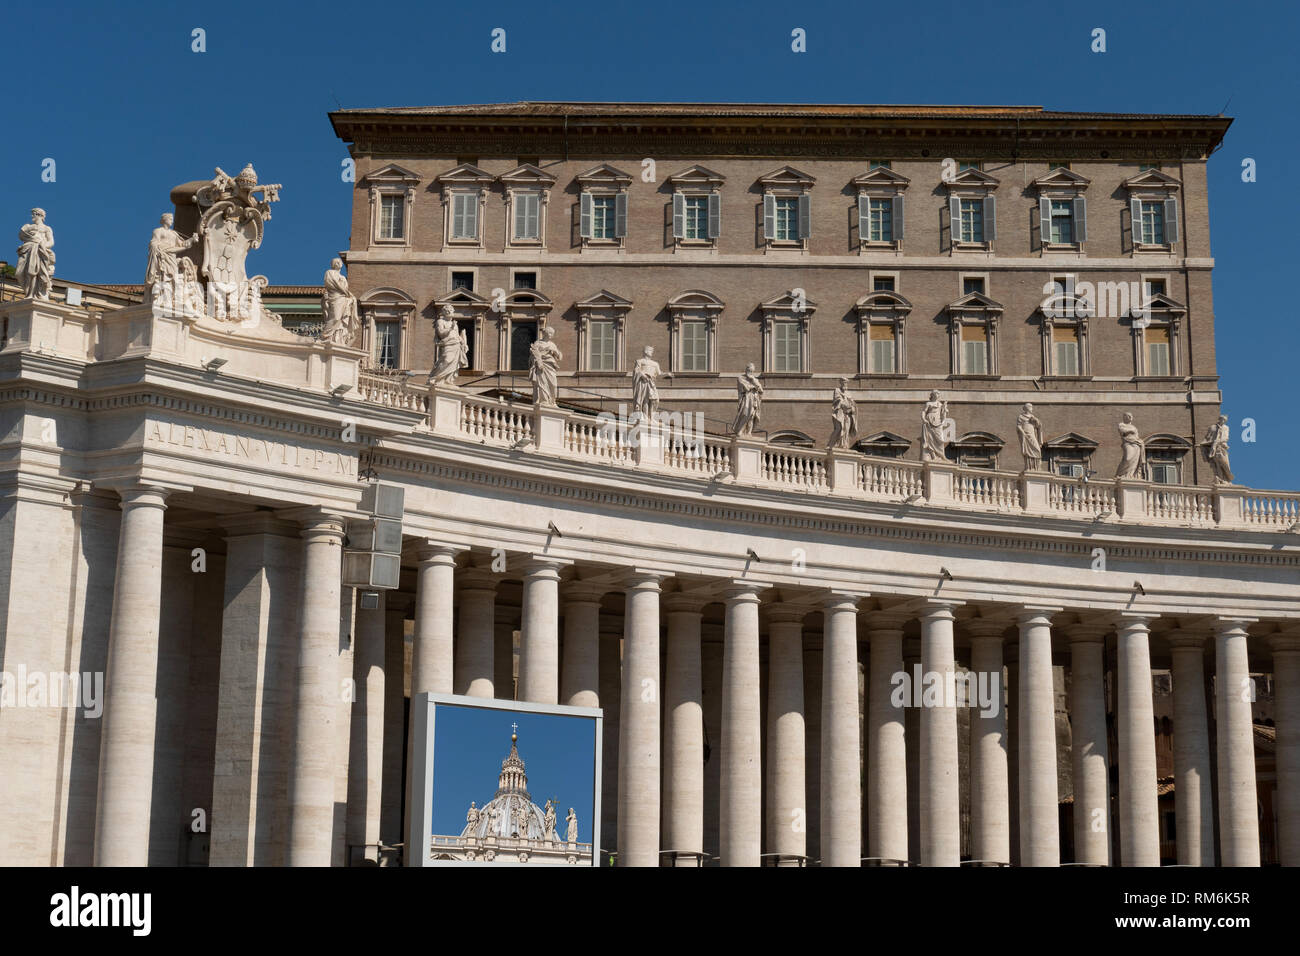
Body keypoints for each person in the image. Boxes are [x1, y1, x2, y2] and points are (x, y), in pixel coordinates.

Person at [145, 213, 199, 297]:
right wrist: (161, 248)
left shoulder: (174, 234)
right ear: (164, 220)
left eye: (172, 219)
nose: (172, 221)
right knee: (162, 275)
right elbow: (154, 243)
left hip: (171, 258)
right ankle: (160, 294)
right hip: (162, 256)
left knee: (173, 276)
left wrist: (192, 239)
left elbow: (182, 244)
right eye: (170, 219)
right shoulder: (158, 231)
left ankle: (169, 296)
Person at [15, 208, 55, 300]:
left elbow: (51, 241)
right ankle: (28, 291)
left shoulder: (46, 228)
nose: (32, 216)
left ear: (40, 215)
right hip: (27, 250)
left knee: (33, 273)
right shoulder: (28, 226)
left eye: (34, 214)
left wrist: (42, 245)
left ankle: (31, 294)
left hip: (39, 250)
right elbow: (21, 235)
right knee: (19, 273)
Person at [320, 258, 358, 345]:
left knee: (341, 318)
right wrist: (343, 290)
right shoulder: (329, 272)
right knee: (336, 317)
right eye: (336, 262)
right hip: (335, 296)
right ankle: (325, 336)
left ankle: (337, 338)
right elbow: (332, 283)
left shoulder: (343, 277)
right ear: (333, 264)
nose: (338, 263)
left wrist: (347, 294)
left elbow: (345, 288)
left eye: (339, 262)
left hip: (343, 297)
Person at [429, 305, 469, 385]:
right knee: (446, 360)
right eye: (447, 311)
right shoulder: (440, 321)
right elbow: (441, 334)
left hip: (456, 345)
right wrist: (451, 328)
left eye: (451, 310)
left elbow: (456, 335)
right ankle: (435, 378)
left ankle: (448, 379)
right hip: (447, 344)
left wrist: (463, 343)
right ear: (443, 312)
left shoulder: (454, 323)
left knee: (454, 364)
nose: (449, 312)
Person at [528, 327, 562, 406]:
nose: (551, 335)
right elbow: (533, 355)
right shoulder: (538, 343)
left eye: (552, 334)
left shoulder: (552, 344)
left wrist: (555, 351)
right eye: (549, 333)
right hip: (541, 366)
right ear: (545, 333)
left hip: (550, 366)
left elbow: (560, 357)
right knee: (542, 383)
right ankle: (544, 401)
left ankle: (552, 401)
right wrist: (538, 362)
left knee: (553, 384)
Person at [631, 345, 663, 420]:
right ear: (645, 351)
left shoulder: (655, 364)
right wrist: (643, 375)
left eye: (652, 351)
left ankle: (651, 418)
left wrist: (667, 374)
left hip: (651, 383)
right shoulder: (640, 361)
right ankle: (646, 417)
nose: (652, 352)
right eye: (650, 351)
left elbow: (659, 374)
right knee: (645, 399)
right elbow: (636, 371)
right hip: (643, 383)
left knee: (655, 400)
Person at [732, 363, 764, 436]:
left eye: (752, 371)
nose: (750, 372)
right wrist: (752, 386)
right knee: (746, 413)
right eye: (749, 370)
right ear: (746, 369)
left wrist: (753, 380)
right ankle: (740, 430)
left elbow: (761, 390)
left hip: (754, 398)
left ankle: (749, 432)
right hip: (747, 398)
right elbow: (744, 388)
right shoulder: (741, 378)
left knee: (752, 416)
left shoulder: (755, 379)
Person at [828, 377, 858, 450]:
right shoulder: (837, 390)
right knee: (839, 428)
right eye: (844, 382)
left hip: (847, 415)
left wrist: (852, 408)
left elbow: (853, 404)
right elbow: (837, 400)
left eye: (846, 382)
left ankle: (844, 445)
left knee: (846, 430)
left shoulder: (848, 393)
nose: (845, 384)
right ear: (841, 383)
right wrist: (844, 404)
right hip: (840, 413)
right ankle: (831, 444)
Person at [1203, 414, 1233, 483]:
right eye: (1222, 419)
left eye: (1224, 420)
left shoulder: (1226, 428)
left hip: (1221, 447)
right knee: (1217, 464)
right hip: (1214, 448)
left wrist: (1218, 441)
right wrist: (1210, 442)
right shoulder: (1213, 427)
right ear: (1219, 419)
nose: (1223, 421)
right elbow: (1208, 437)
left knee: (1224, 463)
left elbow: (1226, 438)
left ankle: (1226, 478)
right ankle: (1221, 478)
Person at [921, 390, 950, 461]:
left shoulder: (940, 404)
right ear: (933, 395)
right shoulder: (928, 403)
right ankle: (933, 456)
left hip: (938, 421)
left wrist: (944, 408)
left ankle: (942, 455)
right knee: (930, 439)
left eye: (938, 394)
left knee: (940, 439)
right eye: (936, 393)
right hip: (929, 420)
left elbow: (943, 414)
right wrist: (924, 419)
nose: (938, 395)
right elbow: (924, 411)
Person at [1116, 413, 1146, 479]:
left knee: (1135, 461)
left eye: (1129, 416)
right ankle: (1121, 474)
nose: (1128, 418)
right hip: (1127, 443)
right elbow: (1122, 431)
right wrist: (1130, 430)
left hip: (1136, 444)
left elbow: (1136, 436)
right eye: (1126, 416)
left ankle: (1130, 475)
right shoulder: (1121, 424)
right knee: (1128, 458)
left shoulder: (1134, 427)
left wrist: (1140, 441)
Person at [1017, 403, 1043, 471]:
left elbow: (1038, 426)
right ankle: (1029, 467)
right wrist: (1022, 432)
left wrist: (1036, 421)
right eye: (1030, 407)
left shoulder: (1033, 417)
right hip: (1025, 434)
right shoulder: (1021, 416)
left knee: (1037, 450)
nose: (1032, 409)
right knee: (1027, 451)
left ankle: (1037, 467)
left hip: (1032, 434)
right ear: (1027, 408)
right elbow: (1019, 426)